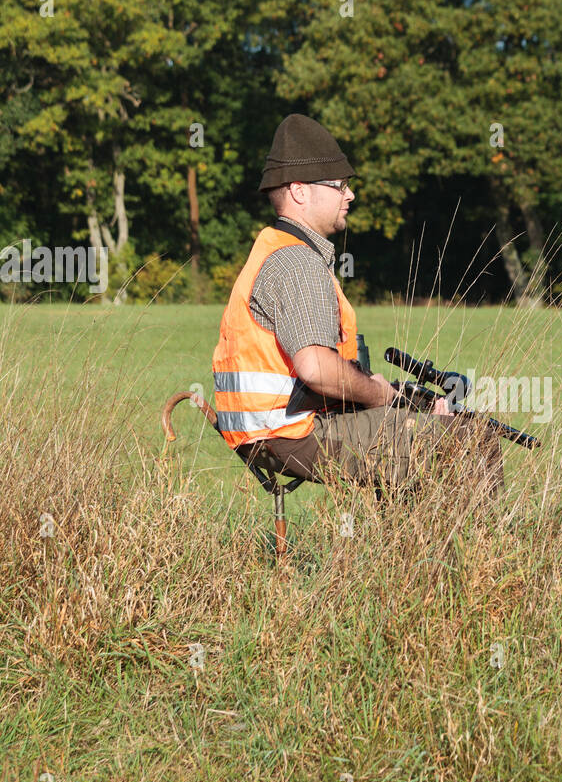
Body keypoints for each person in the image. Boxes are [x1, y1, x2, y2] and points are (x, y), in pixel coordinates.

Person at [211, 113, 503, 501]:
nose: (350, 195)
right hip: (293, 432)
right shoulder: (297, 263)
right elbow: (315, 368)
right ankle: (474, 558)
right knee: (470, 441)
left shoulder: (274, 248)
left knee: (415, 431)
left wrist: (398, 399)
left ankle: (408, 554)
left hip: (266, 428)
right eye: (340, 185)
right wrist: (380, 395)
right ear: (300, 191)